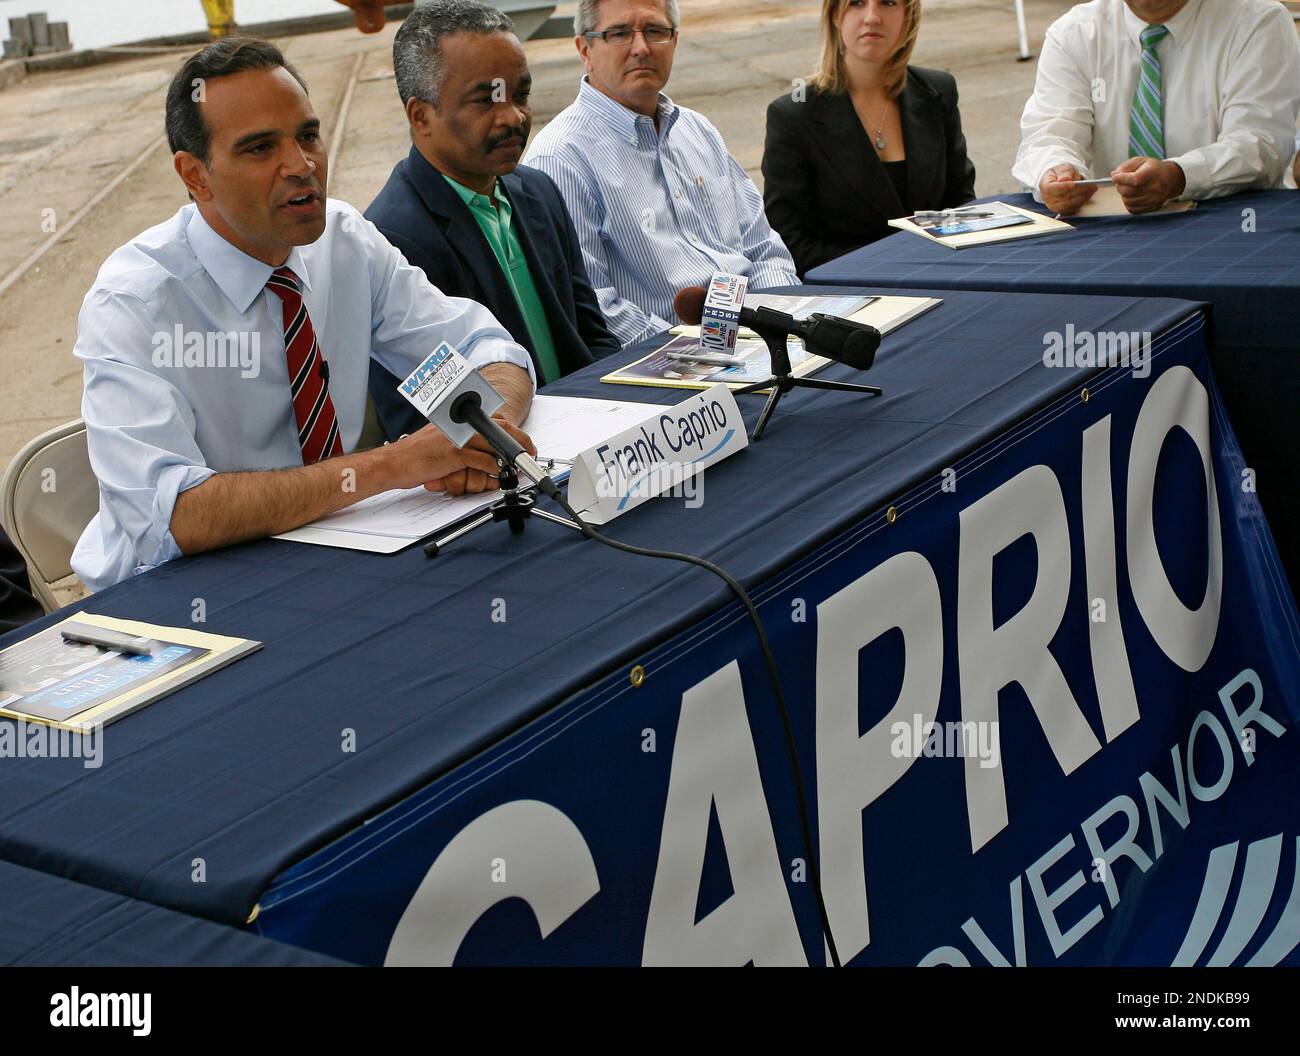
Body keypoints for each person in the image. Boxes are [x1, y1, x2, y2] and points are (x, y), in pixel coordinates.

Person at [71, 38, 538, 592]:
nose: (301, 165)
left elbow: (488, 349)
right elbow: (174, 517)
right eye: (260, 148)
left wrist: (480, 434)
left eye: (308, 135)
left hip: (331, 550)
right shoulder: (134, 303)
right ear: (195, 175)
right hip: (178, 596)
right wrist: (395, 464)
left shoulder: (344, 241)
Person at [367, 0, 620, 442]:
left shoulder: (536, 192)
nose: (514, 117)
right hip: (510, 468)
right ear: (420, 115)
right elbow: (422, 425)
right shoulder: (394, 239)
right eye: (486, 101)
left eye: (520, 94)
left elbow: (593, 337)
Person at [523, 0, 800, 348]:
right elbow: (597, 309)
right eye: (620, 33)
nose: (640, 48)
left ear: (674, 41)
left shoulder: (697, 130)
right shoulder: (561, 159)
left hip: (765, 341)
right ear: (585, 49)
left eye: (655, 31)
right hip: (674, 366)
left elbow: (763, 248)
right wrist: (715, 347)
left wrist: (779, 320)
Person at [1013, 0, 1300, 216]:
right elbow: (1048, 133)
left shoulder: (1257, 22)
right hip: (1108, 235)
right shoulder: (1073, 33)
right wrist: (1058, 172)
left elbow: (1258, 144)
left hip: (1233, 223)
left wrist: (1179, 176)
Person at [762, 0, 975, 275]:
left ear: (908, 16)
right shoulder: (793, 114)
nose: (872, 17)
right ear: (835, 15)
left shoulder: (939, 91)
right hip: (851, 294)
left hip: (946, 277)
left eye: (887, 3)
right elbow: (790, 242)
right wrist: (894, 269)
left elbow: (962, 206)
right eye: (856, 3)